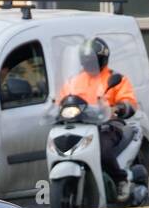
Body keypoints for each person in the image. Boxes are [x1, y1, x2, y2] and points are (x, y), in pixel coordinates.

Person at [56, 37, 139, 199]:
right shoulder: (74, 80)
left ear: (102, 59)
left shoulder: (115, 79)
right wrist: (56, 109)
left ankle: (120, 179)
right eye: (86, 61)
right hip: (80, 125)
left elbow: (129, 101)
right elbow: (62, 100)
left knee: (102, 148)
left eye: (92, 60)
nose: (89, 64)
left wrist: (120, 107)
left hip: (109, 124)